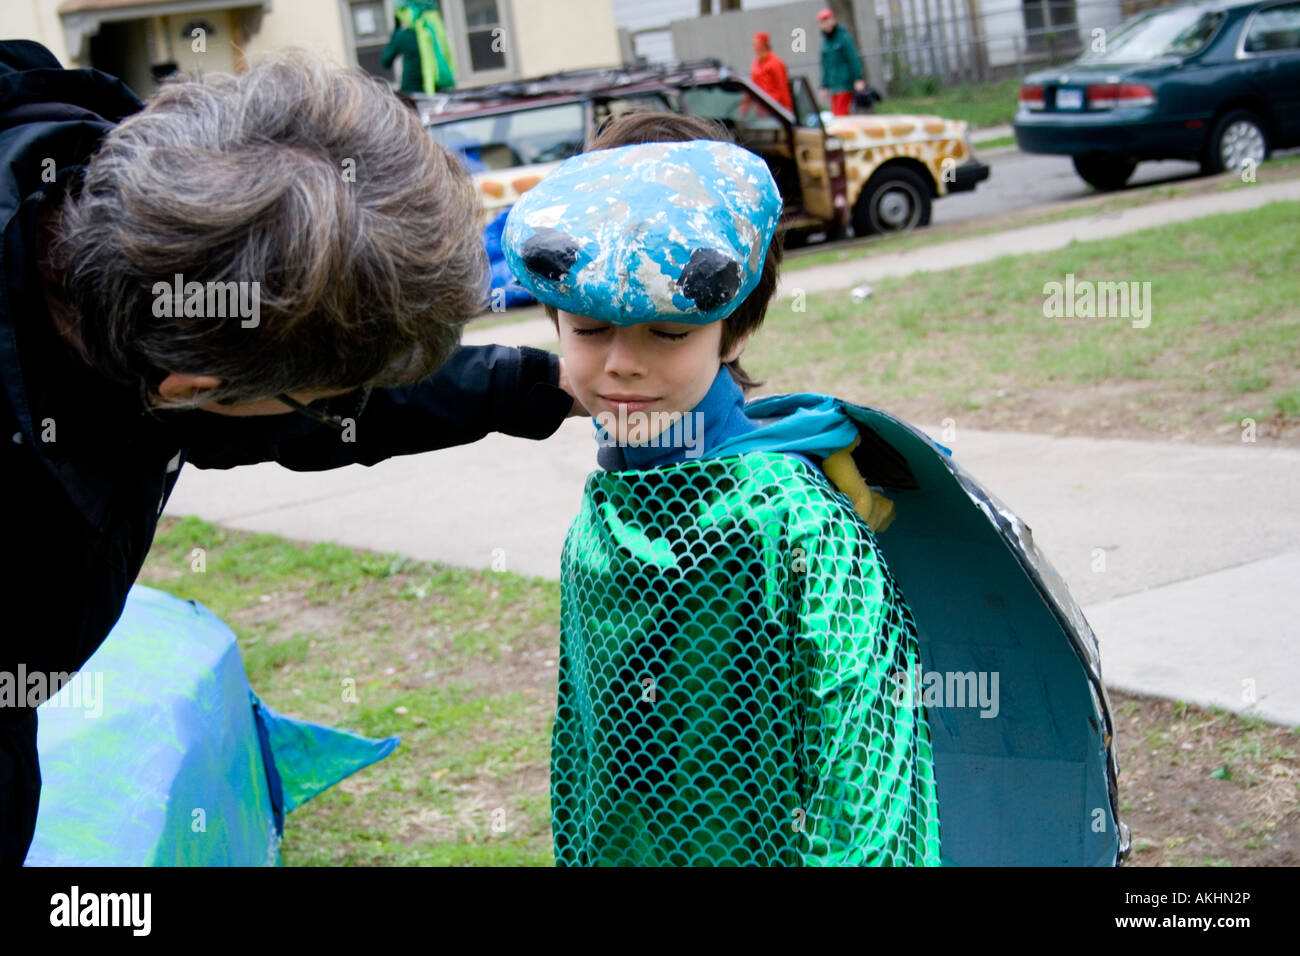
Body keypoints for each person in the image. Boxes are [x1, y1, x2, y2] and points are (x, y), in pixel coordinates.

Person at [0, 40, 581, 866]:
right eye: (334, 402)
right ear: (188, 386)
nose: (345, 414)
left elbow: (309, 383)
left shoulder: (147, 234)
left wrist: (545, 385)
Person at [502, 112, 943, 866]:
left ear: (733, 330)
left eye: (668, 332)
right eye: (587, 328)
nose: (621, 365)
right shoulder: (602, 518)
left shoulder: (794, 523)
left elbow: (865, 776)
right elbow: (596, 770)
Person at [817, 7, 866, 116]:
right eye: (823, 21)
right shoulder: (825, 43)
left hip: (845, 83)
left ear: (833, 20)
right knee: (836, 114)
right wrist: (824, 85)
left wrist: (858, 78)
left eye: (828, 19)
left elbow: (853, 59)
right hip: (834, 85)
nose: (827, 23)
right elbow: (825, 66)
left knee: (841, 114)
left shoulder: (843, 37)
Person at [749, 31, 793, 111]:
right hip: (761, 106)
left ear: (763, 45)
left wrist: (787, 108)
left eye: (757, 45)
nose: (754, 48)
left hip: (774, 105)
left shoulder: (775, 63)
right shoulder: (755, 63)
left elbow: (782, 86)